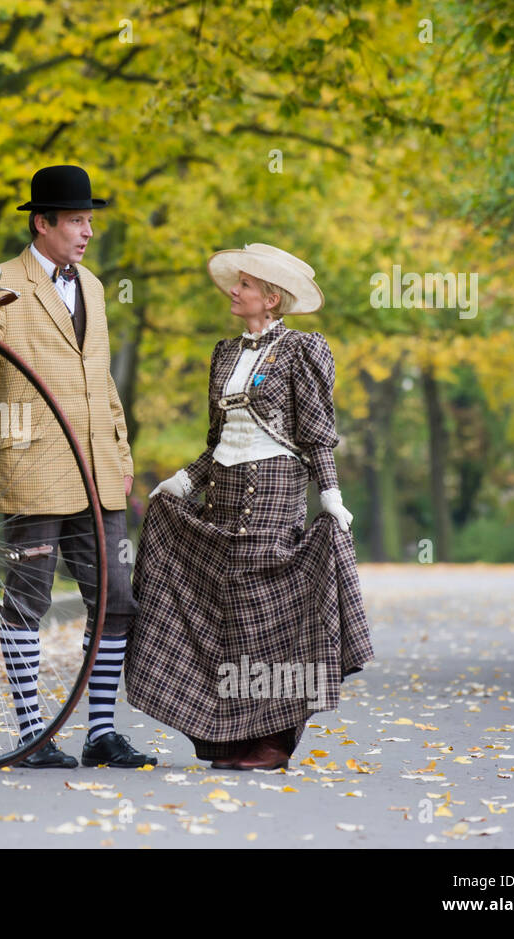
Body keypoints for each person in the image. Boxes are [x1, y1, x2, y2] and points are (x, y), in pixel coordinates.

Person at [0, 165, 155, 769]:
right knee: (27, 599)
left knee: (114, 599)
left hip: (98, 467)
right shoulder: (2, 280)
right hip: (32, 467)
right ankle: (35, 732)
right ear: (43, 223)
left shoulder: (96, 286)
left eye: (89, 220)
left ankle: (101, 732)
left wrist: (123, 454)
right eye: (77, 221)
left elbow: (101, 379)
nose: (86, 232)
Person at [126, 243, 375, 771]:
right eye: (236, 283)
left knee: (271, 616)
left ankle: (275, 742)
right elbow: (217, 441)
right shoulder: (223, 353)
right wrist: (183, 481)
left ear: (272, 298)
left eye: (244, 285)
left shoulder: (301, 351)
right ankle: (232, 736)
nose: (233, 292)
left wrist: (330, 494)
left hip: (275, 492)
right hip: (224, 495)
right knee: (227, 615)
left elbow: (315, 435)